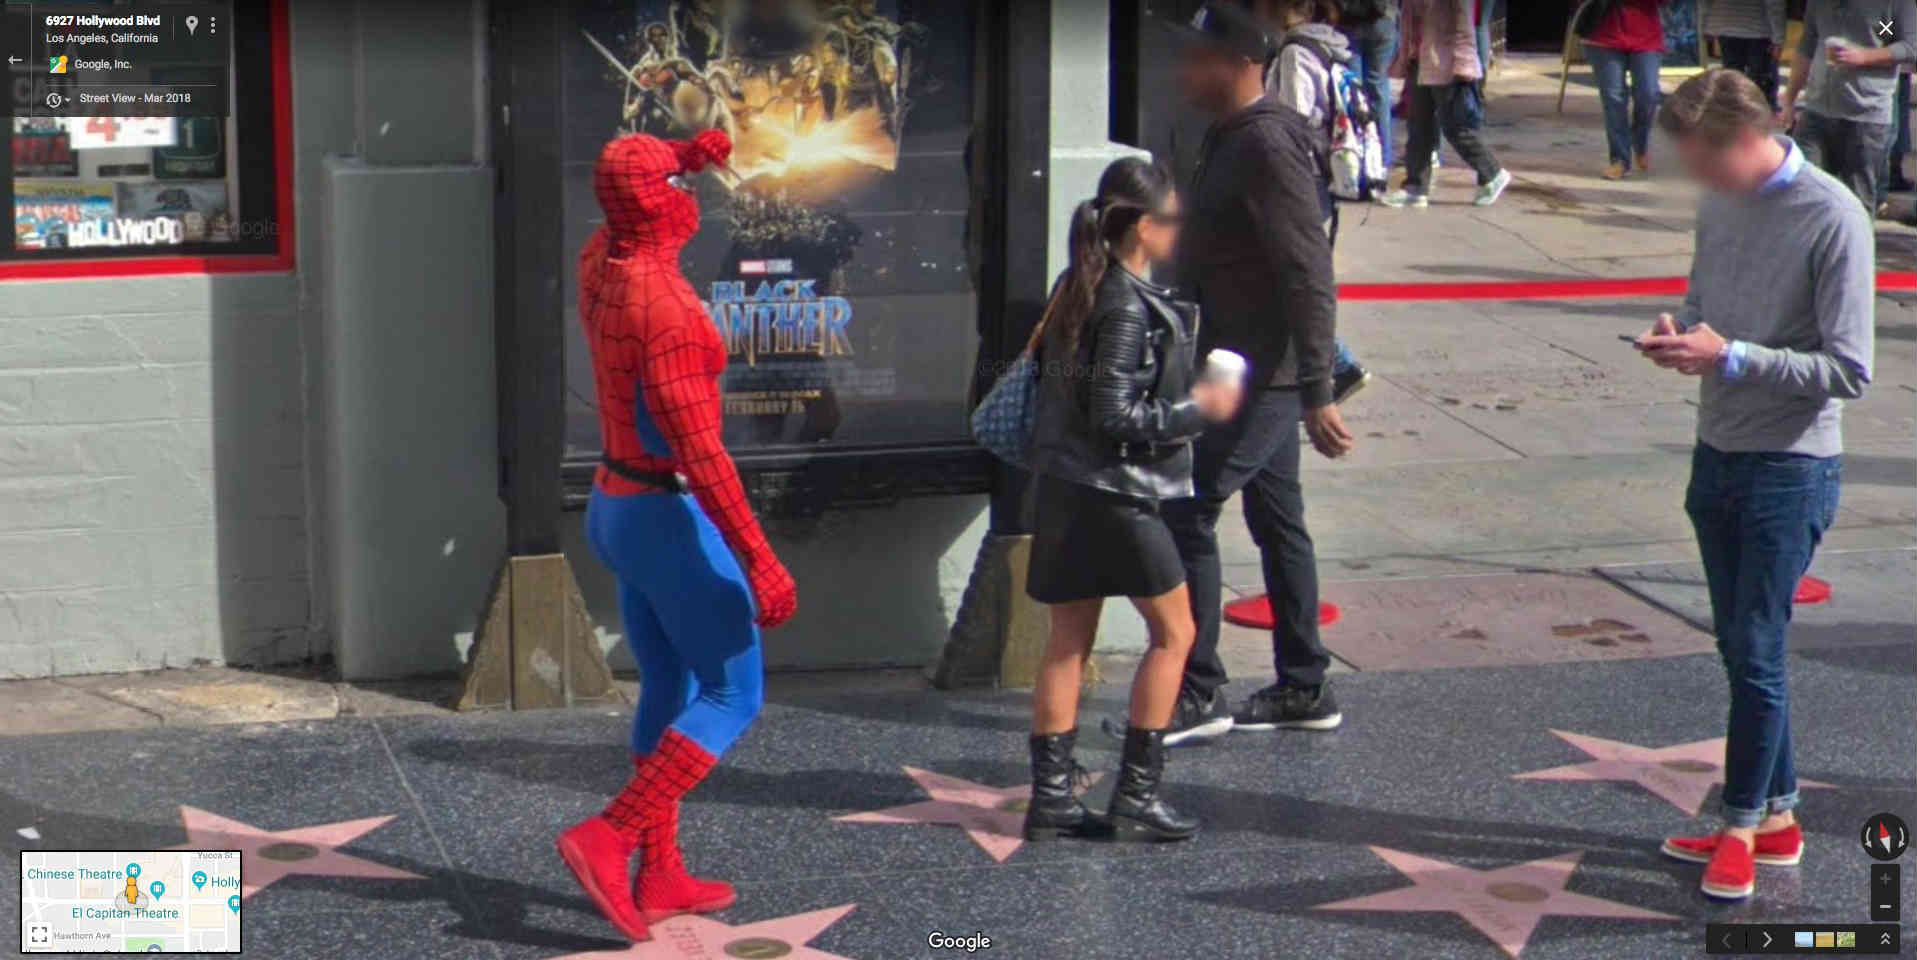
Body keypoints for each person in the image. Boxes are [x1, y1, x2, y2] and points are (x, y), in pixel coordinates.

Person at [1640, 69, 1874, 902]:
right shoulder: (1721, 204)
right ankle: (1774, 818)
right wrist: (1680, 336)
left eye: (1704, 163)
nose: (1697, 183)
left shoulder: (1833, 216)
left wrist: (1730, 356)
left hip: (1790, 465)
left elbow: (1850, 370)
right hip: (1718, 447)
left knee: (1758, 652)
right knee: (1741, 648)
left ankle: (1742, 822)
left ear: (1747, 139)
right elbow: (1706, 304)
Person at [561, 129, 799, 942]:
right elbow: (704, 456)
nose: (691, 197)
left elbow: (628, 184)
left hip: (614, 506)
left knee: (665, 685)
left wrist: (682, 154)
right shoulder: (667, 313)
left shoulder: (601, 257)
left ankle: (659, 874)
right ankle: (611, 835)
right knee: (733, 694)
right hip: (667, 513)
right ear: (661, 203)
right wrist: (760, 562)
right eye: (678, 186)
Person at [1023, 158, 1243, 843]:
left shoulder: (1078, 286)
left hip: (1063, 488)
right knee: (1174, 635)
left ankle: (1051, 801)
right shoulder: (1121, 303)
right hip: (1114, 496)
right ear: (1143, 227)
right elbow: (1113, 415)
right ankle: (1135, 798)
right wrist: (1198, 409)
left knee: (1066, 642)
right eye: (1172, 220)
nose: (1180, 231)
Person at [1157, 2, 1354, 745]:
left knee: (1187, 511)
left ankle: (1196, 690)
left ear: (1241, 63)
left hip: (1260, 372)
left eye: (1197, 56)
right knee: (1277, 521)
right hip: (1235, 356)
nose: (1183, 70)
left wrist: (1314, 390)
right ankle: (1304, 685)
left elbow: (1308, 269)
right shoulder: (1230, 134)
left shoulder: (1264, 143)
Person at [1255, 0, 1373, 403]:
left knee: (1284, 280)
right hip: (1317, 180)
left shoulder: (1294, 52)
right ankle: (1330, 368)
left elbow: (1290, 122)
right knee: (1287, 278)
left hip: (1297, 183)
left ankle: (1335, 366)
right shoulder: (1328, 46)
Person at [1780, 0, 1917, 214]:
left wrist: (1864, 55)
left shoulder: (1892, 5)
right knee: (1802, 190)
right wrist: (1789, 100)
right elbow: (1806, 46)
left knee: (1856, 201)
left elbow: (1908, 45)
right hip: (1816, 111)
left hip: (1866, 118)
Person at [1378, 0, 1512, 207]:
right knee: (1418, 125)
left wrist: (1463, 62)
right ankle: (1415, 187)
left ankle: (1492, 172)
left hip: (1447, 60)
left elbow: (1464, 24)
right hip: (1420, 57)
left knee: (1455, 127)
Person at [1582, 0, 1668, 180]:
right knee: (1614, 99)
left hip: (1646, 36)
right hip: (1603, 35)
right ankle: (1619, 160)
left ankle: (1640, 143)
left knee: (1649, 93)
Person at [1335, 0, 1399, 169]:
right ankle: (1382, 158)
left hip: (1350, 19)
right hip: (1383, 19)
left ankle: (1357, 154)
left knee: (1353, 89)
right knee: (1378, 88)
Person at [1702, 0, 1787, 111]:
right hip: (1758, 27)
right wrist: (1778, 39)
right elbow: (1775, 4)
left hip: (1725, 23)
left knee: (1733, 78)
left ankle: (1735, 115)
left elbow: (1704, 3)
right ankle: (1762, 114)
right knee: (1761, 79)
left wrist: (1706, 25)